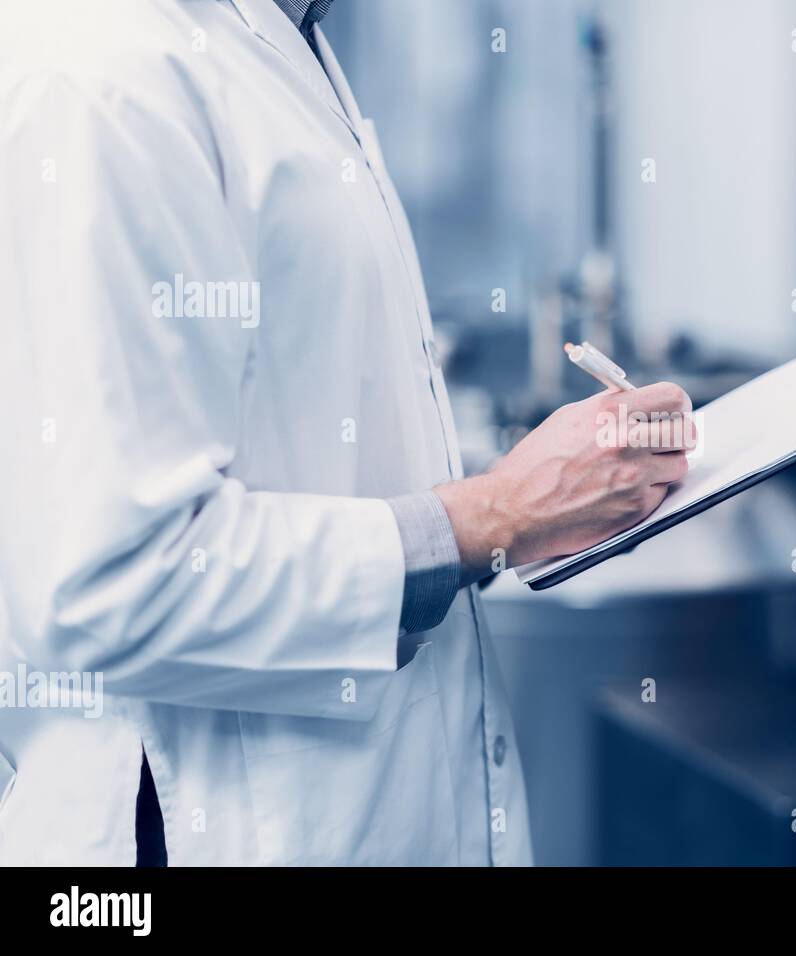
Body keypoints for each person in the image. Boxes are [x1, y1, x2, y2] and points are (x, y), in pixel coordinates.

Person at [0, 0, 692, 865]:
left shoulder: (283, 39)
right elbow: (116, 585)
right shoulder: (104, 71)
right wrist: (495, 516)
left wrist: (533, 491)